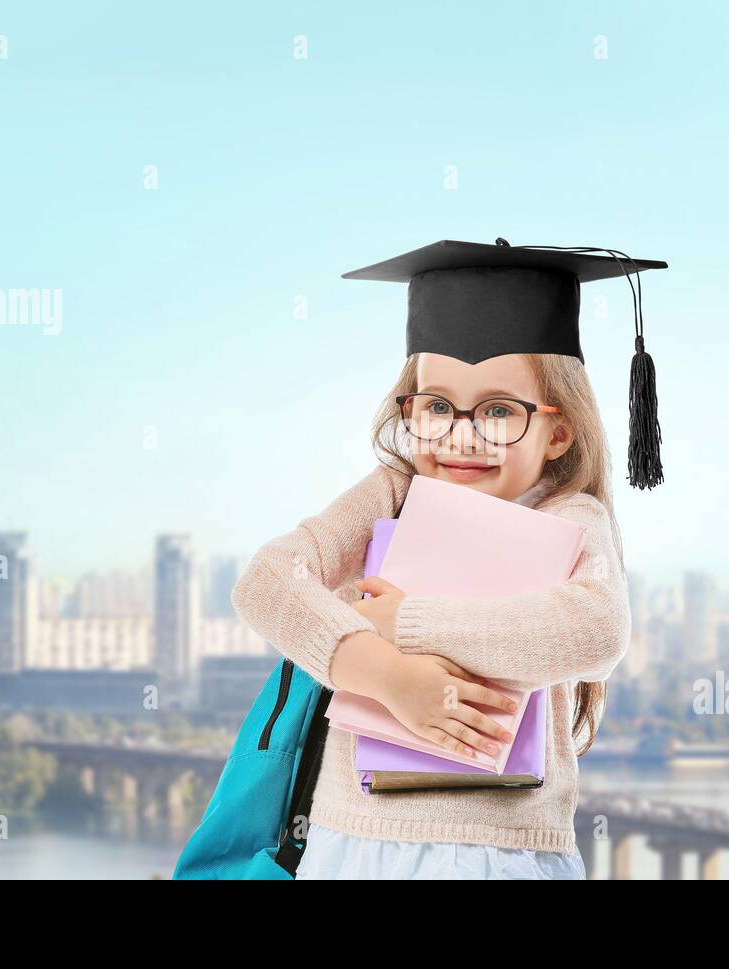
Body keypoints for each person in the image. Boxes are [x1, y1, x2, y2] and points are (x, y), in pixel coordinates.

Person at [233, 237, 667, 879]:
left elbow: (596, 630)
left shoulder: (567, 517)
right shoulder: (395, 492)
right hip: (348, 841)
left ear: (558, 430)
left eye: (498, 411)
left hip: (499, 854)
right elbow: (267, 582)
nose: (462, 436)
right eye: (436, 407)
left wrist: (405, 623)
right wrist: (385, 674)